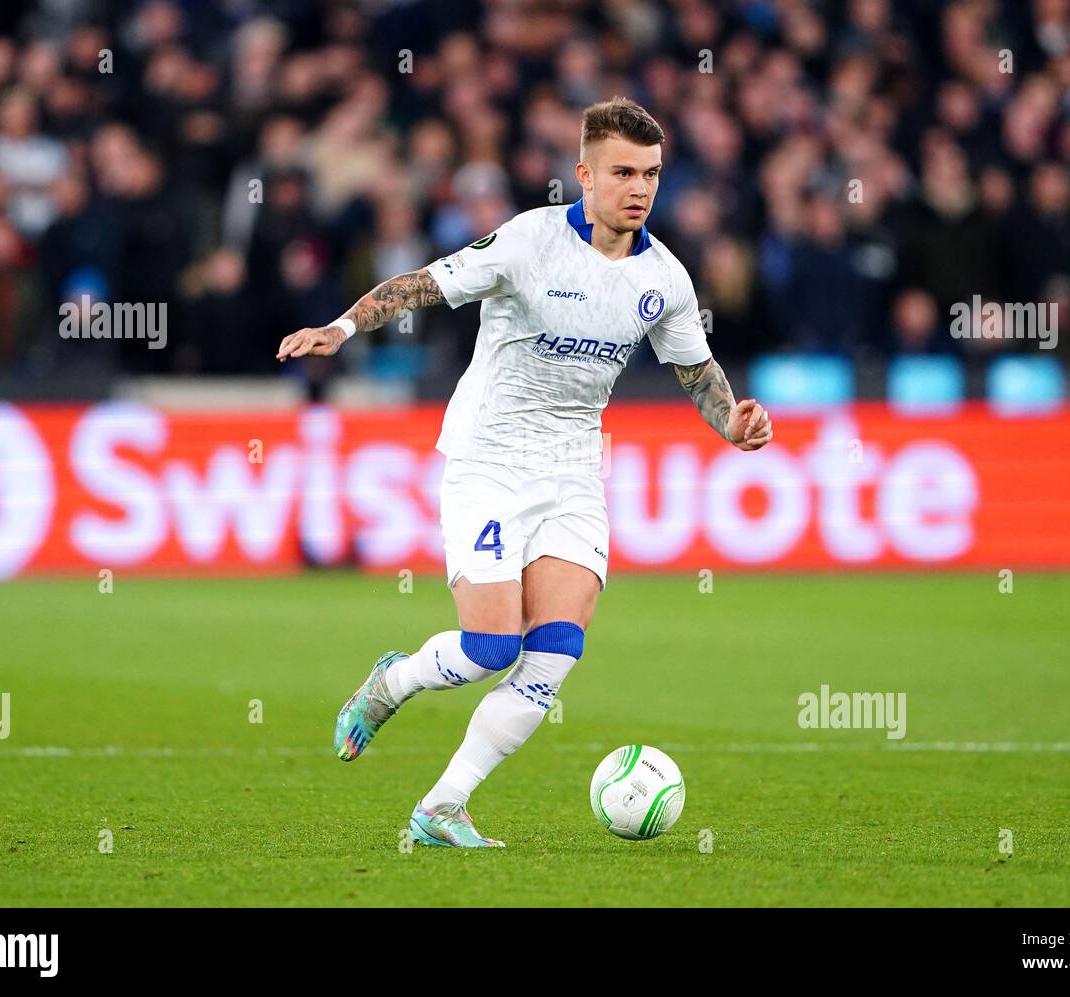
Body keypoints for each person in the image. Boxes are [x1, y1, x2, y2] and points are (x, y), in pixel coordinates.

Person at [275, 98, 772, 848]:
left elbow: (695, 370)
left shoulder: (665, 278)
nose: (639, 188)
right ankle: (396, 679)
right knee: (491, 649)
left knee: (553, 655)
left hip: (574, 471)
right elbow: (420, 284)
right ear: (584, 175)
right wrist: (339, 329)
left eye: (652, 174)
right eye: (623, 172)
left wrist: (731, 419)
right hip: (489, 460)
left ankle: (443, 805)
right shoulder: (528, 242)